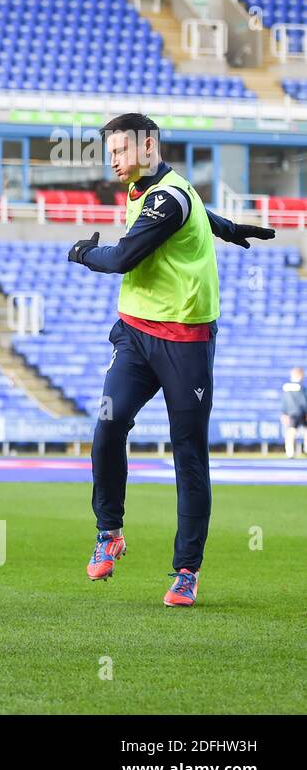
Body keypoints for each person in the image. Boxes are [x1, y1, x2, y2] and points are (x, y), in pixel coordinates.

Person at [68, 113, 274, 606]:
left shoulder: (167, 195)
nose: (112, 160)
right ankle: (109, 531)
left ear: (148, 145)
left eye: (119, 151)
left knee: (189, 455)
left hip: (186, 343)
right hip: (136, 337)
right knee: (107, 423)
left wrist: (80, 253)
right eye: (110, 151)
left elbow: (120, 259)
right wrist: (225, 227)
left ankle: (186, 571)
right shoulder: (154, 189)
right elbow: (192, 212)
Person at [280, 367, 307, 458]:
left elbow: (284, 401)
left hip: (291, 413)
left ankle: (290, 452)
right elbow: (304, 400)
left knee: (291, 432)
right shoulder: (301, 387)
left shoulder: (286, 387)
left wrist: (284, 413)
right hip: (301, 412)